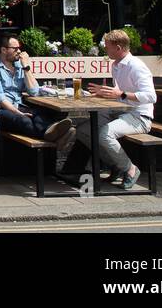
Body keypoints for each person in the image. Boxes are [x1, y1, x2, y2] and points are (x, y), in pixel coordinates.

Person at [57, 29, 156, 190]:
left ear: (118, 48)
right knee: (83, 130)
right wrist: (105, 92)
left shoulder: (136, 66)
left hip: (139, 116)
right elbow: (119, 95)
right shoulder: (116, 65)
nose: (105, 50)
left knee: (105, 134)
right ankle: (115, 164)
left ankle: (130, 169)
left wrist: (120, 94)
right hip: (120, 111)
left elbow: (151, 96)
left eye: (108, 47)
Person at [0, 34, 72, 144]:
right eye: (15, 49)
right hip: (2, 110)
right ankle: (55, 136)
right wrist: (17, 112)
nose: (19, 51)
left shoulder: (19, 66)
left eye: (19, 48)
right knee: (24, 120)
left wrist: (26, 67)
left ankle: (54, 133)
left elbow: (34, 91)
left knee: (46, 113)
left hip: (21, 105)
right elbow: (0, 98)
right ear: (3, 50)